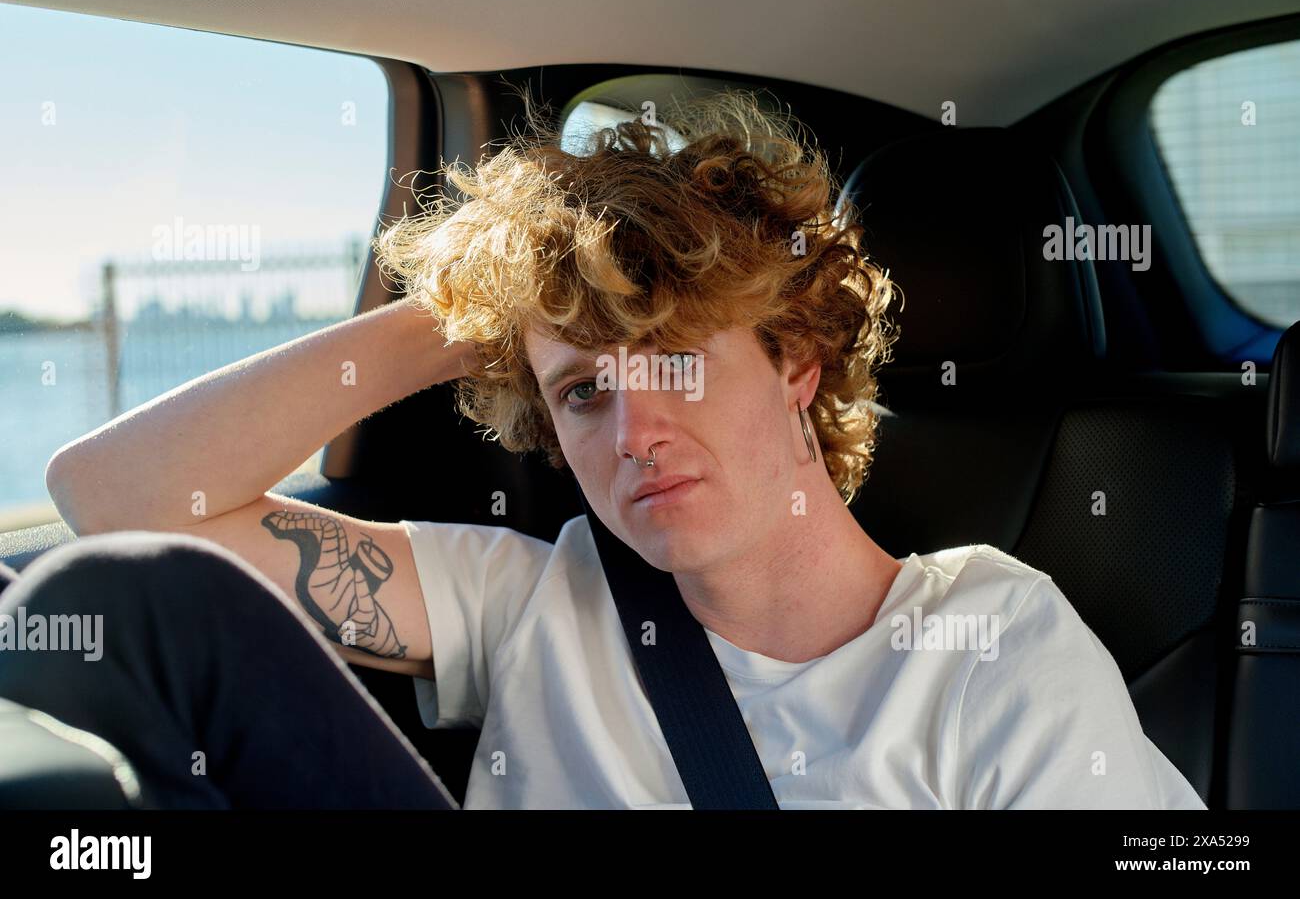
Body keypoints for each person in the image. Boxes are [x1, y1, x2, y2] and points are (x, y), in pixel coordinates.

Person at [6, 88, 1204, 808]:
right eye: (582, 393)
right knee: (123, 599)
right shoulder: (527, 598)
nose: (636, 429)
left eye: (676, 358)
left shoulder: (987, 641)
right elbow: (112, 495)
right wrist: (489, 299)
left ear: (794, 363)